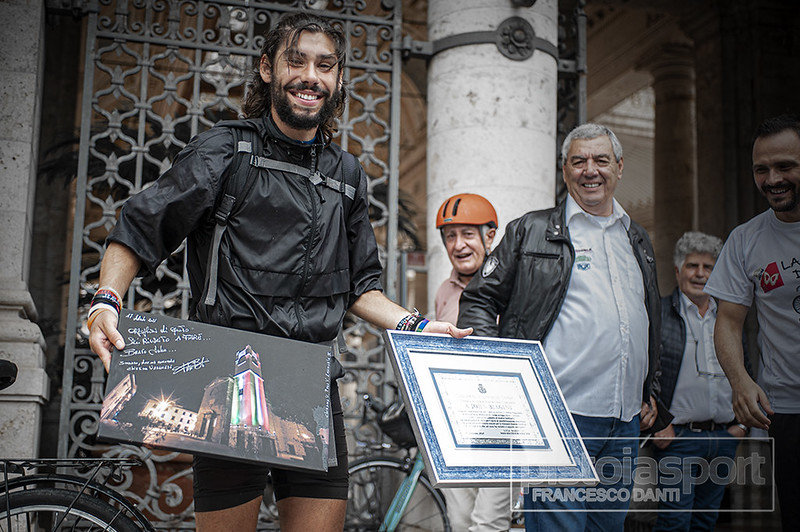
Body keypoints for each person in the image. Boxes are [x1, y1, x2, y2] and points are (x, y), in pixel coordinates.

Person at [87, 12, 470, 532]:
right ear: (267, 69)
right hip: (223, 373)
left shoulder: (348, 176)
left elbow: (360, 287)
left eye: (325, 65)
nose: (311, 75)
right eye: (297, 60)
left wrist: (421, 327)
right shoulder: (225, 151)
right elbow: (141, 225)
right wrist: (107, 300)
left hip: (310, 380)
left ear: (337, 81)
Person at [458, 123, 668, 532]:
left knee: (605, 528)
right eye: (579, 161)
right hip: (560, 416)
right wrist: (503, 375)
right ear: (565, 169)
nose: (591, 169)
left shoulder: (636, 238)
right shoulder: (531, 230)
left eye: (601, 160)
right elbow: (480, 299)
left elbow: (647, 321)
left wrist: (650, 390)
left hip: (624, 421)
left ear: (619, 167)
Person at [704, 113, 800, 531]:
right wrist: (740, 381)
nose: (772, 179)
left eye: (785, 166)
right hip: (788, 409)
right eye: (762, 169)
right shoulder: (745, 240)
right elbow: (727, 321)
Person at [652, 231, 748, 531]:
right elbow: (641, 370)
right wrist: (658, 422)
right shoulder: (658, 313)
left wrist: (741, 426)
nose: (700, 274)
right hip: (677, 438)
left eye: (708, 267)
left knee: (706, 522)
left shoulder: (730, 318)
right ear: (678, 270)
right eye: (692, 265)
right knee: (674, 523)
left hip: (723, 438)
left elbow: (749, 368)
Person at [434, 193, 512, 532]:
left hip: (501, 422)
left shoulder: (512, 286)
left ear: (490, 236)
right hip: (455, 424)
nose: (459, 245)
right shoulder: (443, 291)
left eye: (468, 234)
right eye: (451, 236)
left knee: (488, 523)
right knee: (461, 520)